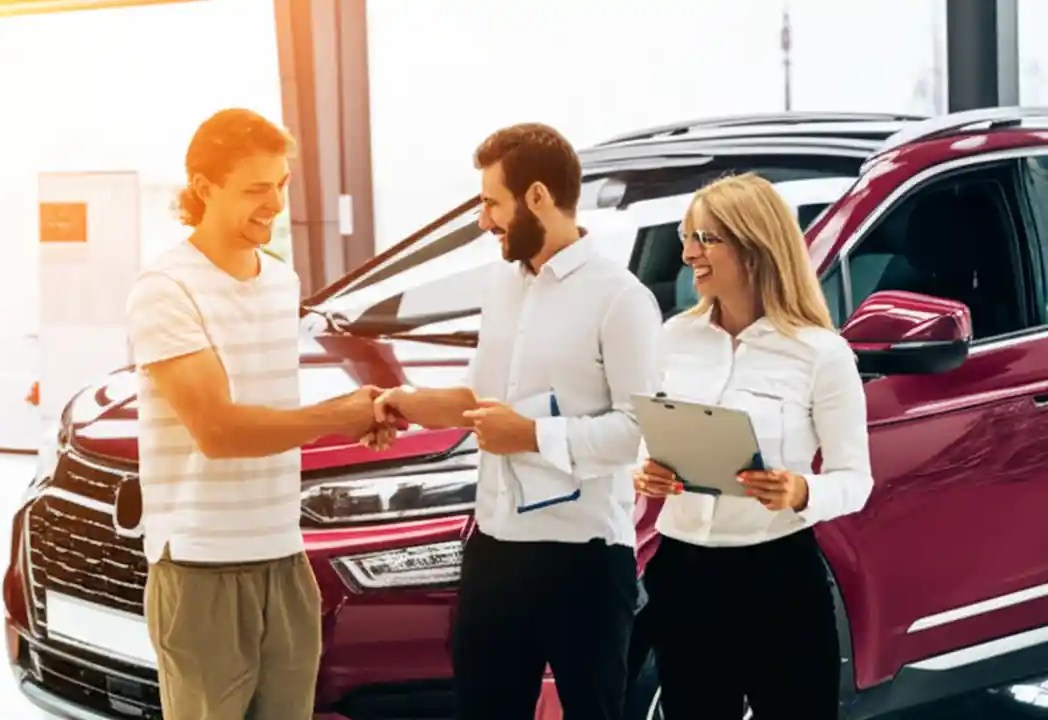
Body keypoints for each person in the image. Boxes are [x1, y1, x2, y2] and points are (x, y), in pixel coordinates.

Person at [373, 123, 663, 720]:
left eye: (490, 203)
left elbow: (639, 432)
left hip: (583, 561)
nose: (484, 221)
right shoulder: (501, 289)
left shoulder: (623, 299)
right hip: (495, 552)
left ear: (536, 197)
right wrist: (402, 402)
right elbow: (482, 400)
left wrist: (530, 436)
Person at [124, 108, 388, 720]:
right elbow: (217, 430)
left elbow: (272, 409)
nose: (273, 204)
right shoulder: (164, 288)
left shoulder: (280, 281)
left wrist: (355, 412)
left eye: (280, 184)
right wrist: (335, 417)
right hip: (199, 568)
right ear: (203, 188)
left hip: (284, 558)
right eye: (254, 189)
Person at [631, 172, 873, 720]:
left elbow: (855, 480)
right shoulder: (672, 340)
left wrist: (799, 490)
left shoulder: (820, 354)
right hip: (684, 576)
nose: (689, 252)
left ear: (754, 246)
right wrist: (644, 474)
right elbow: (639, 439)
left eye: (705, 238)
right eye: (686, 236)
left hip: (779, 580)